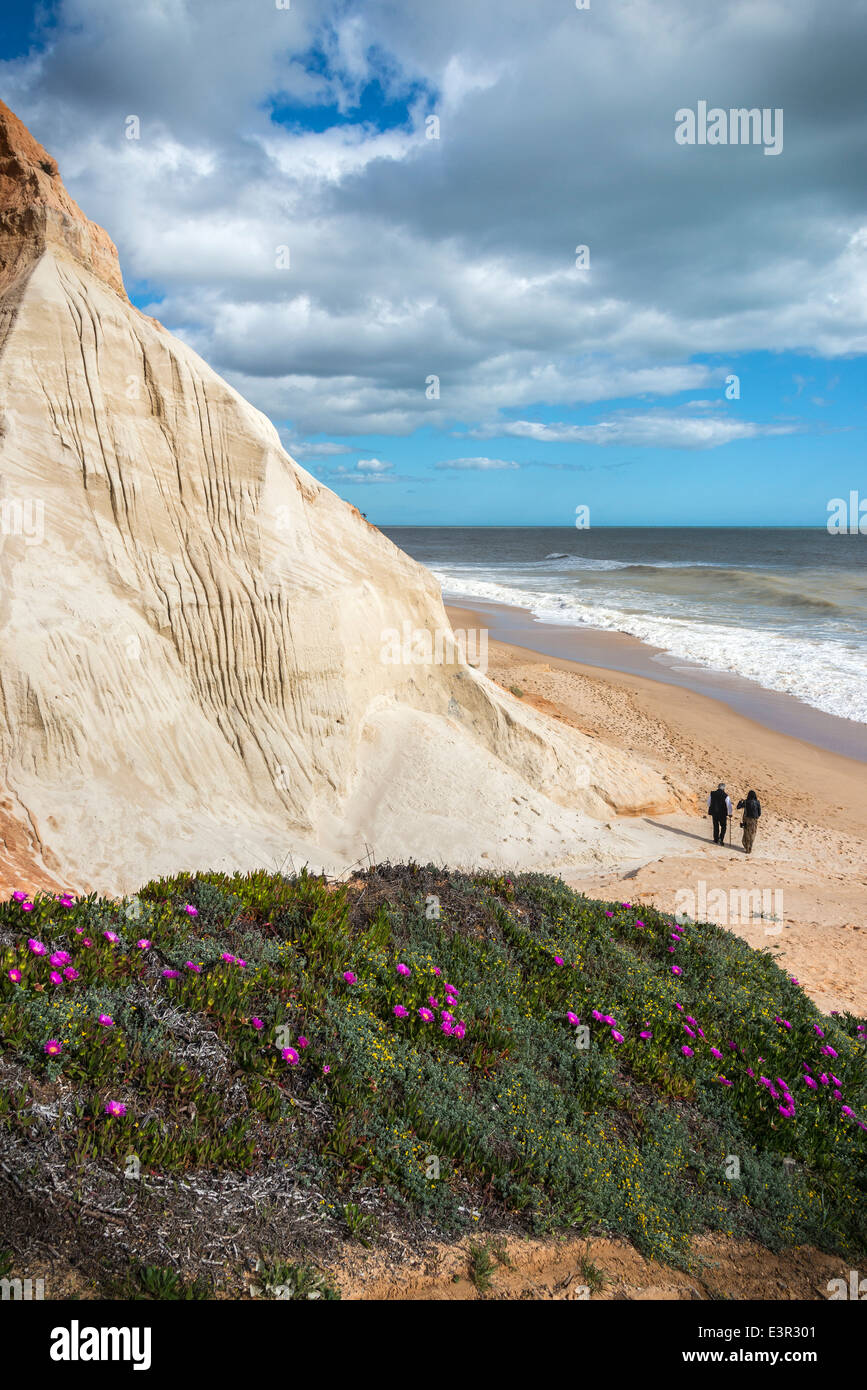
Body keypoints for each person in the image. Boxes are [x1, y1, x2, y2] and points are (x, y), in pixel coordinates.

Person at [737, 789, 762, 854]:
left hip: (747, 819)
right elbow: (759, 813)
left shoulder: (746, 802)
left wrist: (740, 801)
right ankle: (750, 846)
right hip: (754, 820)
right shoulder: (757, 802)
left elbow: (738, 807)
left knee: (746, 833)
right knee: (752, 833)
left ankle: (747, 847)